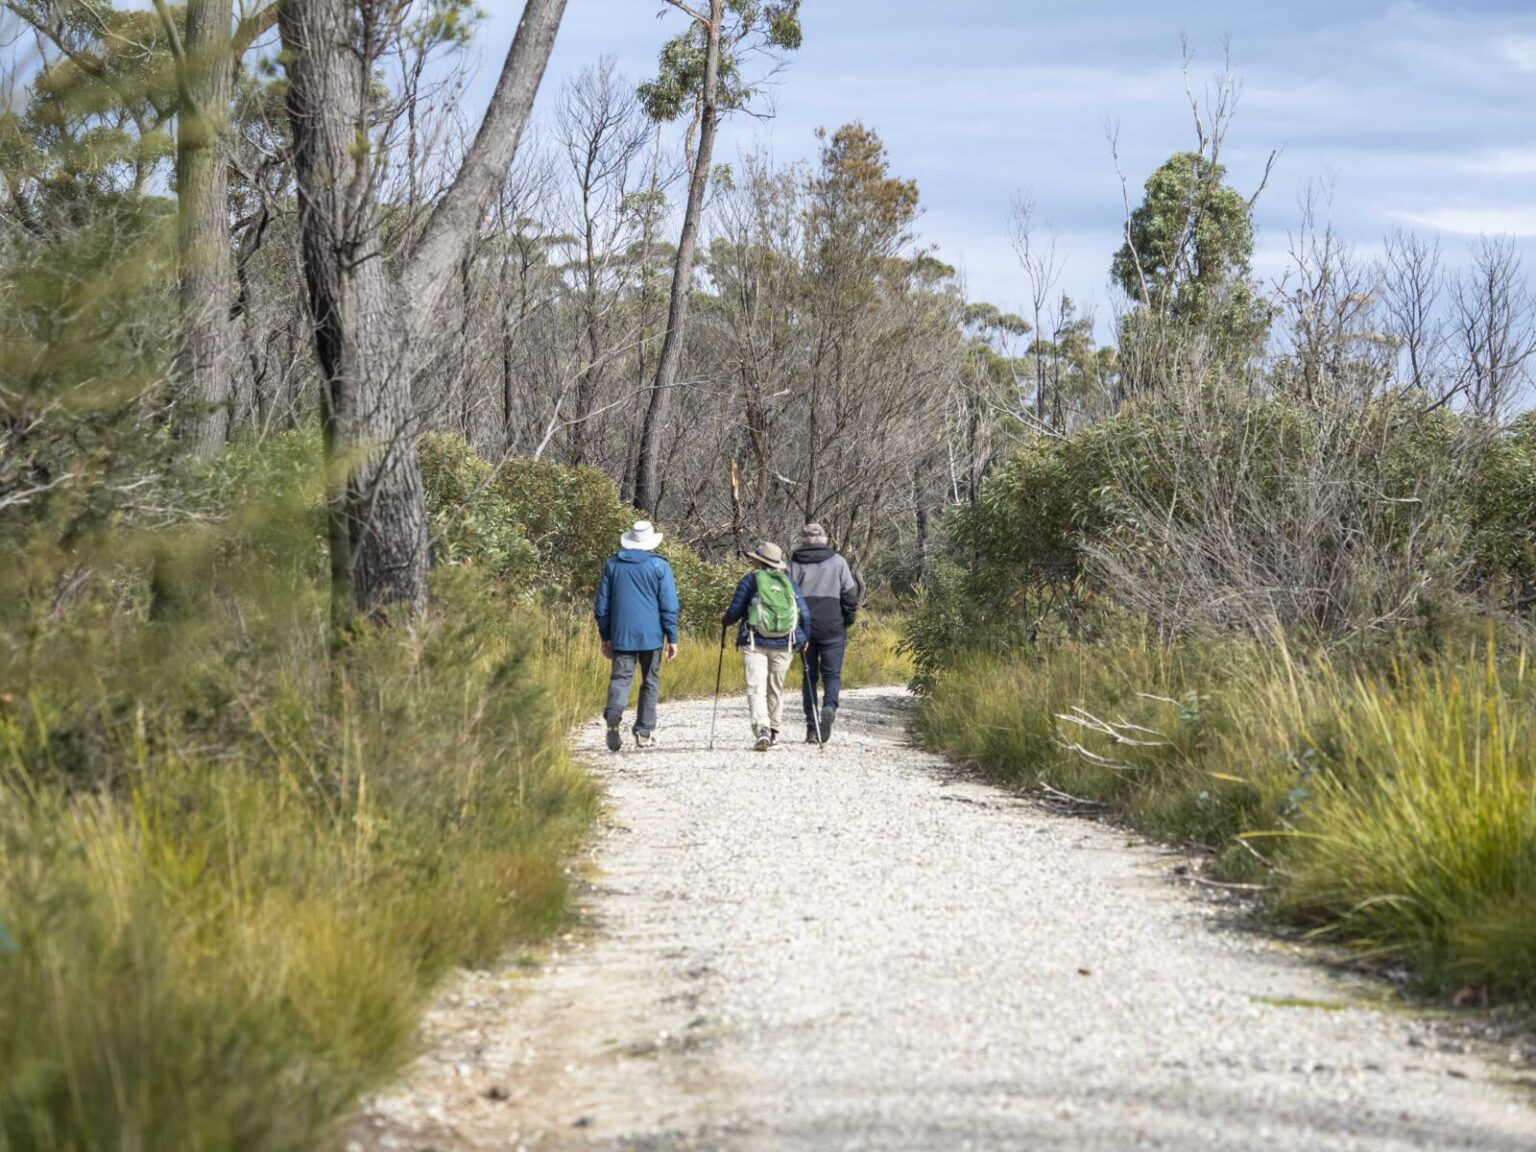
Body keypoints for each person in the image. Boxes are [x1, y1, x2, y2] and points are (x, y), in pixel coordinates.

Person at [593, 520, 679, 751]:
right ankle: (643, 731)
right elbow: (669, 604)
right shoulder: (659, 566)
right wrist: (672, 637)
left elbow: (601, 606)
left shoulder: (612, 565)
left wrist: (605, 636)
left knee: (621, 679)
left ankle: (613, 715)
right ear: (650, 542)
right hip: (652, 636)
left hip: (621, 635)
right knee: (650, 681)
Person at [720, 541, 811, 752]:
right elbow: (804, 613)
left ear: (758, 560)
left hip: (754, 641)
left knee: (755, 687)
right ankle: (774, 731)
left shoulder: (750, 580)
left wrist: (724, 620)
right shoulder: (789, 582)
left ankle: (762, 728)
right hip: (784, 643)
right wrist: (804, 638)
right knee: (775, 689)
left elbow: (734, 611)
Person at [789, 523, 860, 744]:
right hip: (833, 626)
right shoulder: (838, 562)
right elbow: (850, 593)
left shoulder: (793, 563)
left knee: (809, 677)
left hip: (805, 628)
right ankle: (829, 706)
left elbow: (789, 596)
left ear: (803, 540)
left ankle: (811, 729)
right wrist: (847, 619)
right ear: (825, 539)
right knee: (832, 675)